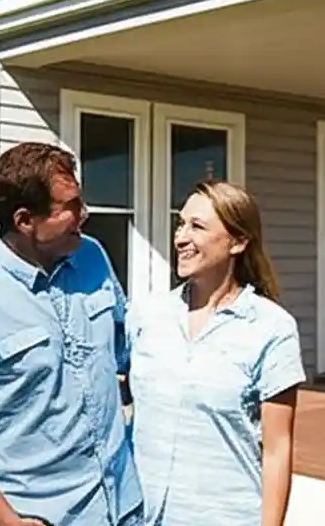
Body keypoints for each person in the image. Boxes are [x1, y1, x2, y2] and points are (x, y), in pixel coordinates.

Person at [0, 141, 142, 526]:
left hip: (124, 507)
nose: (84, 215)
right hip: (43, 516)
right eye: (70, 206)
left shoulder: (93, 256)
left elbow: (129, 356)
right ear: (25, 220)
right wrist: (7, 521)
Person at [127, 179, 305, 525]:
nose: (180, 237)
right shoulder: (146, 316)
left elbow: (277, 450)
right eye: (181, 223)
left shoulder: (271, 328)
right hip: (142, 516)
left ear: (238, 241)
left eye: (197, 226)